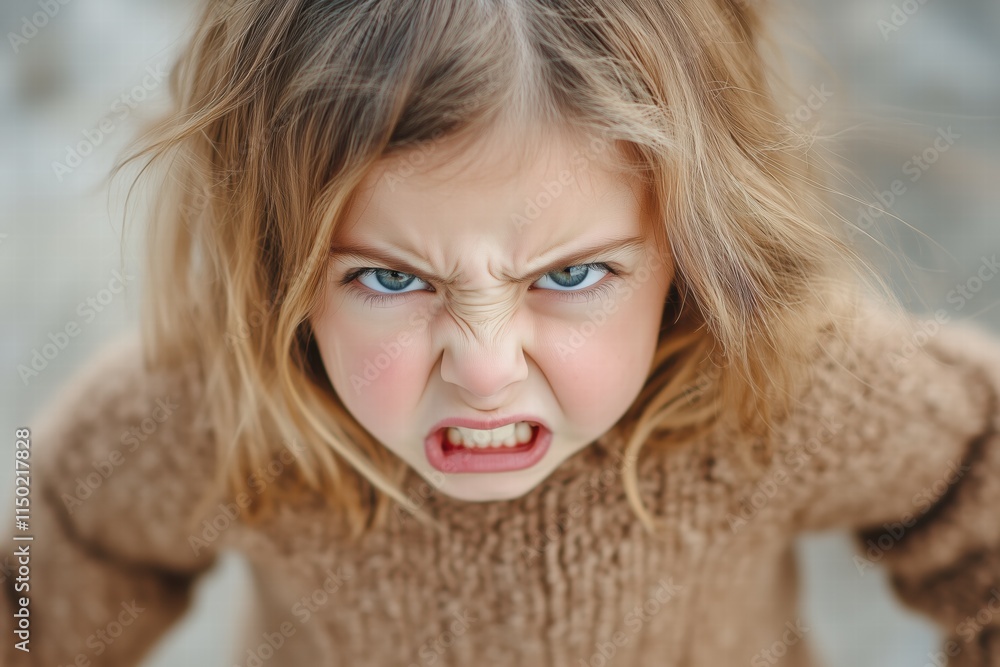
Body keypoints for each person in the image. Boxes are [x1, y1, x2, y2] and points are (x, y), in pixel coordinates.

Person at [5, 0, 1000, 665]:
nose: (482, 368)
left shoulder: (779, 384)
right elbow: (47, 571)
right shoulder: (219, 413)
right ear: (277, 270)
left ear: (691, 252)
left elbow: (976, 473)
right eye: (389, 278)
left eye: (571, 274)